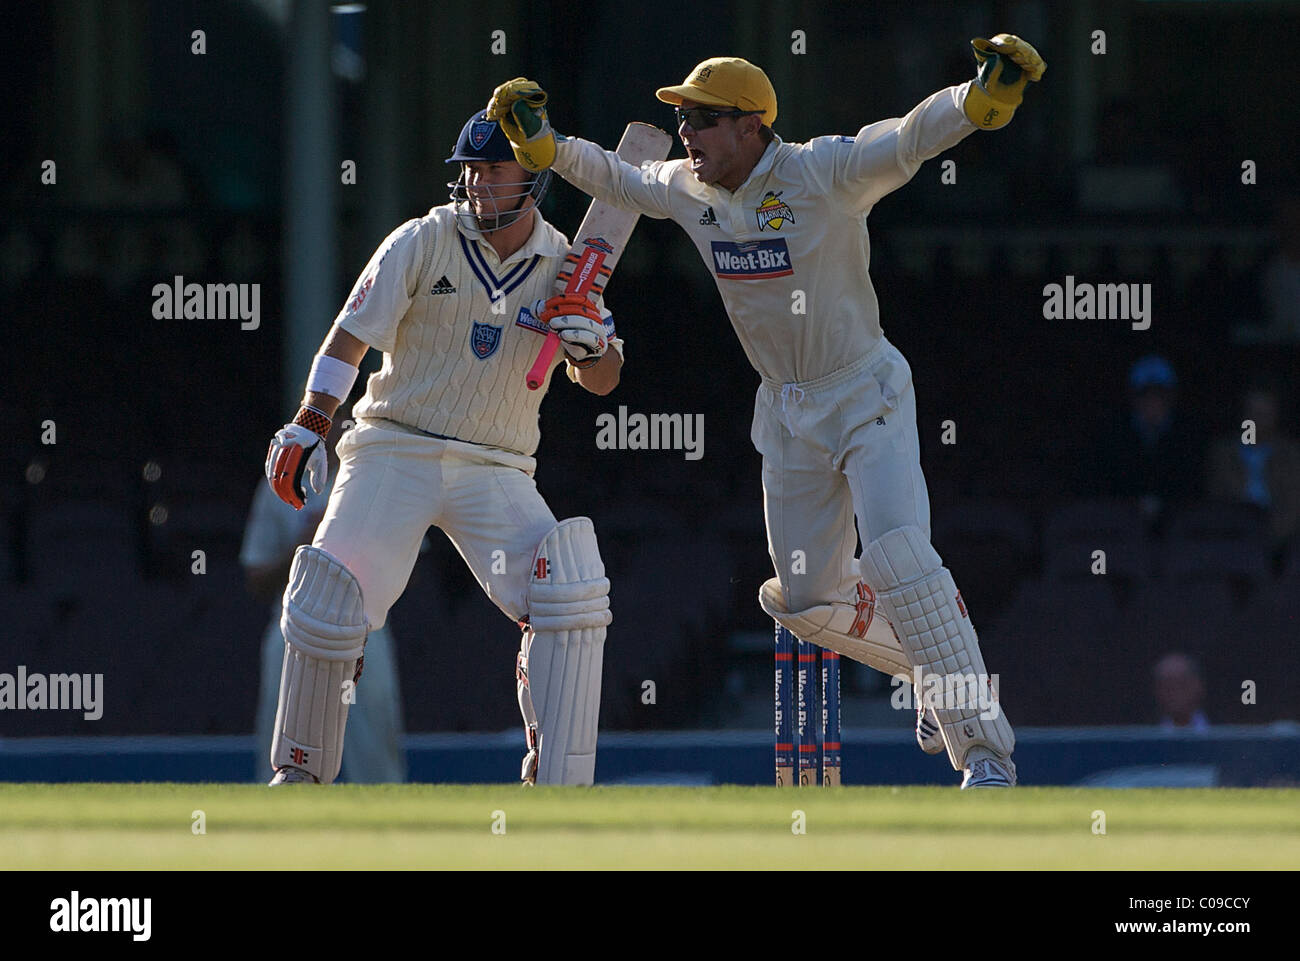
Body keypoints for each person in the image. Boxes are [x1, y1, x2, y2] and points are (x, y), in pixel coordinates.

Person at [488, 34, 1045, 788]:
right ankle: (930, 664)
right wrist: (546, 146)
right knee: (807, 601)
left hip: (865, 394)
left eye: (705, 119)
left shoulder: (819, 172)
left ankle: (983, 753)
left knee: (900, 560)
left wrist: (979, 102)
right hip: (784, 412)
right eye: (683, 120)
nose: (688, 134)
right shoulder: (690, 189)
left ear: (753, 125)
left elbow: (908, 139)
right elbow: (618, 176)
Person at [261, 108, 623, 786]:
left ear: (531, 177)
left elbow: (604, 378)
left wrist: (589, 345)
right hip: (395, 445)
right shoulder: (424, 239)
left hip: (497, 464)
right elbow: (352, 333)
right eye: (471, 172)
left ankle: (561, 789)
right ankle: (299, 779)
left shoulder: (566, 264)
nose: (479, 185)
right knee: (330, 595)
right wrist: (311, 420)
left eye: (494, 171)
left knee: (567, 589)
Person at [242, 403, 407, 783]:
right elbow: (256, 577)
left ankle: (387, 835)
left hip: (365, 632)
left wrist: (355, 551)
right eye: (326, 415)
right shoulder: (281, 480)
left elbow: (406, 573)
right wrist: (303, 550)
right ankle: (275, 834)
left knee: (376, 757)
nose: (336, 425)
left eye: (345, 413)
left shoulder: (380, 482)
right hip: (292, 630)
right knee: (280, 750)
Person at [1153, 653, 1210, 732]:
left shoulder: (1225, 730)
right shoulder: (1143, 733)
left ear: (1198, 685)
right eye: (1168, 687)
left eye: (1182, 684)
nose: (1174, 692)